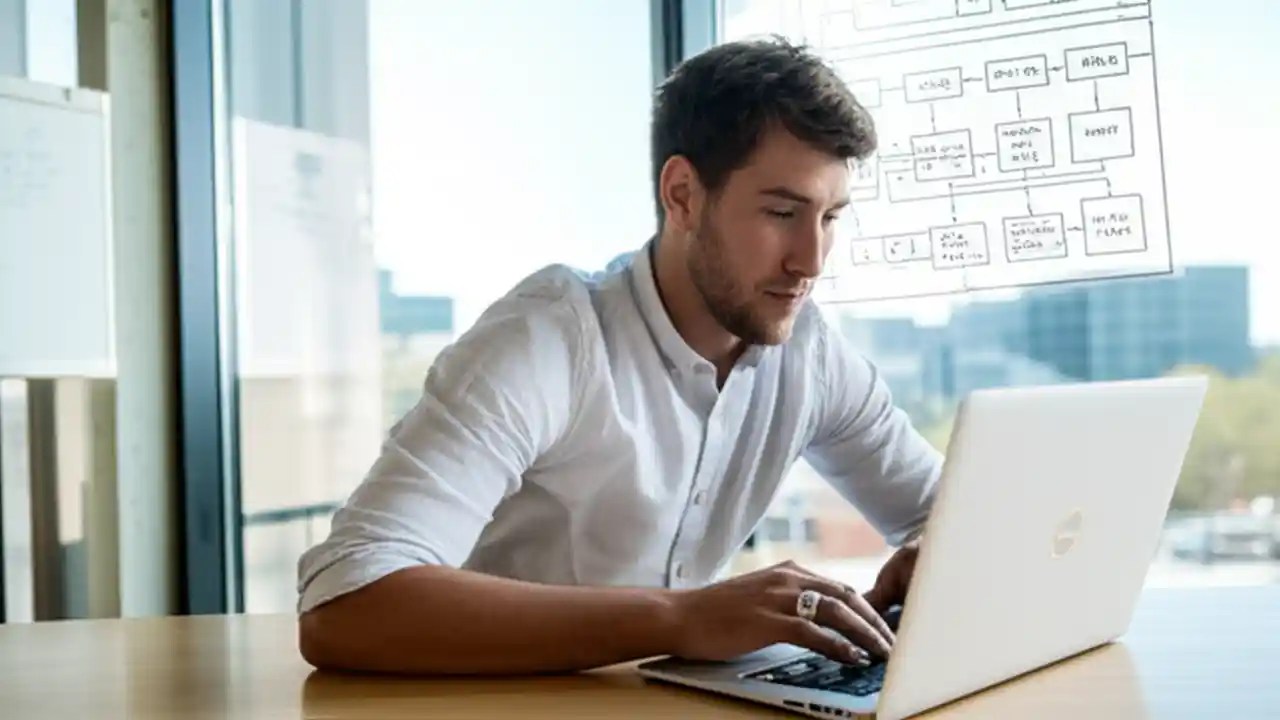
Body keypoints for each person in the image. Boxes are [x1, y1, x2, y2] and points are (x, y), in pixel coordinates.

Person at [296, 36, 942, 675]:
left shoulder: (811, 356)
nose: (811, 261)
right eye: (781, 212)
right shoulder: (549, 338)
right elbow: (345, 604)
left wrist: (936, 549)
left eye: (830, 218)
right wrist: (678, 618)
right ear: (682, 195)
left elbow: (947, 512)